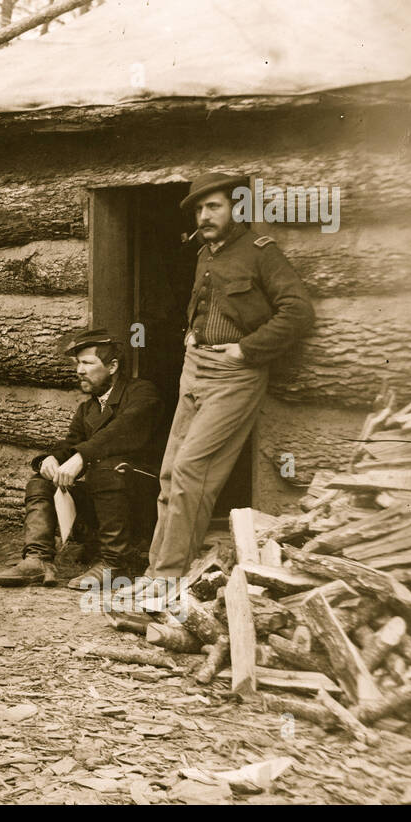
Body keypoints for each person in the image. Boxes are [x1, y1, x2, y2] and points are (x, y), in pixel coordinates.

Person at [144, 171, 314, 589]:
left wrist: (247, 349)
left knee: (191, 470)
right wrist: (192, 334)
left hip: (236, 375)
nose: (204, 215)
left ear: (237, 208)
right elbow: (204, 302)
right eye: (199, 209)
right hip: (194, 368)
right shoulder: (205, 253)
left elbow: (298, 311)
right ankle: (154, 572)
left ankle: (170, 577)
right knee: (168, 474)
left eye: (213, 206)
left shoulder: (260, 252)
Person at [0, 328, 163, 590]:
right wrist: (49, 459)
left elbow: (120, 431)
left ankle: (114, 563)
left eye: (87, 363)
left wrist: (82, 456)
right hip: (106, 500)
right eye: (77, 364)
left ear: (113, 366)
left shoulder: (142, 392)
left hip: (143, 500)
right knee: (40, 482)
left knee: (108, 468)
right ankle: (38, 559)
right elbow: (70, 444)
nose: (79, 370)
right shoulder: (88, 408)